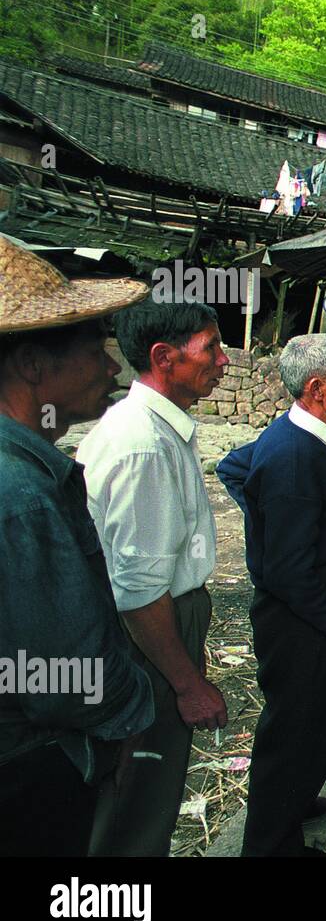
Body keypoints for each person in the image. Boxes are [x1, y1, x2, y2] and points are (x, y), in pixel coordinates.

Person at [0, 236, 155, 856]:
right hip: (28, 775)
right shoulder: (23, 496)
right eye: (95, 349)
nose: (112, 368)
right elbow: (65, 678)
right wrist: (132, 703)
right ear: (34, 365)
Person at [217, 334, 326, 857]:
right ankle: (270, 845)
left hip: (308, 607)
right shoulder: (293, 456)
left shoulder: (302, 435)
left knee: (312, 723)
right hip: (299, 617)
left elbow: (235, 468)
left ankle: (292, 802)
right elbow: (288, 573)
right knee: (292, 733)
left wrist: (266, 521)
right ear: (316, 388)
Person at [78, 300, 230, 857]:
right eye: (210, 347)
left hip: (165, 620)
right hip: (149, 629)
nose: (223, 361)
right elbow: (140, 590)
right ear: (164, 358)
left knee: (144, 783)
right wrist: (188, 683)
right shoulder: (143, 443)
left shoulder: (162, 429)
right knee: (139, 789)